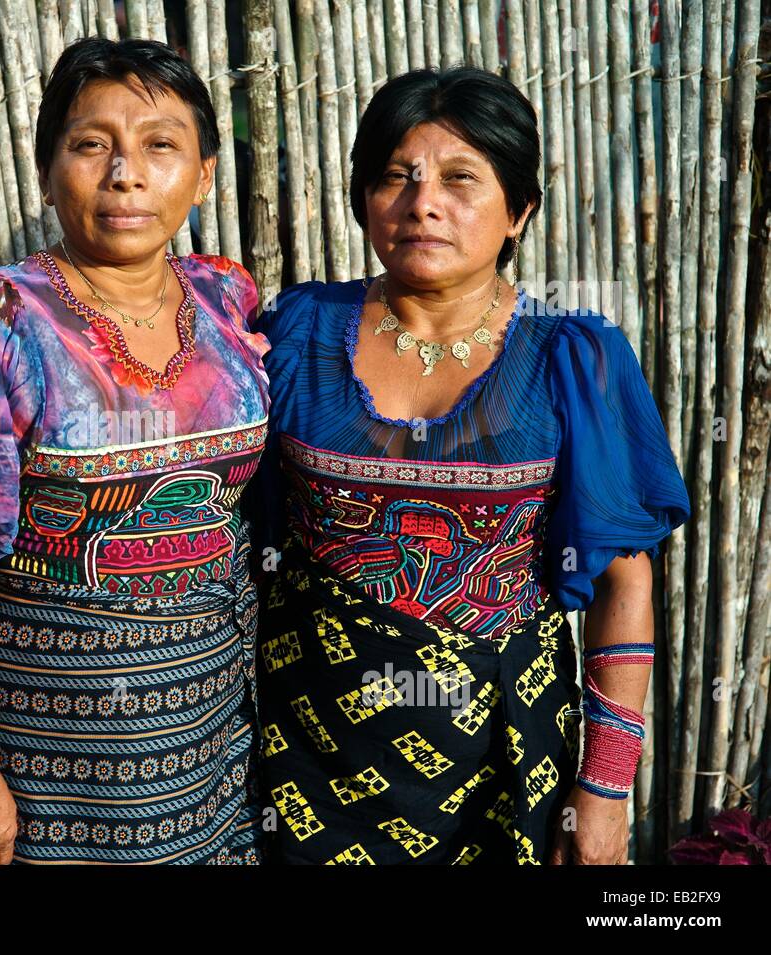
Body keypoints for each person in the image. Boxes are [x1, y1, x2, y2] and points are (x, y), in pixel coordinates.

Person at [247, 67, 690, 865]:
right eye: (395, 177)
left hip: (504, 749)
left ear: (518, 209)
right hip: (313, 746)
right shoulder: (298, 332)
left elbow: (626, 581)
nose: (423, 202)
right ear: (364, 198)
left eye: (460, 179)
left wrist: (606, 789)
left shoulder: (570, 355)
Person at [0, 37, 271, 864]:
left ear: (204, 174)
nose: (125, 173)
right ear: (48, 171)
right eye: (91, 145)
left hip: (221, 739)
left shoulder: (224, 297)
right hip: (58, 758)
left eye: (160, 145)